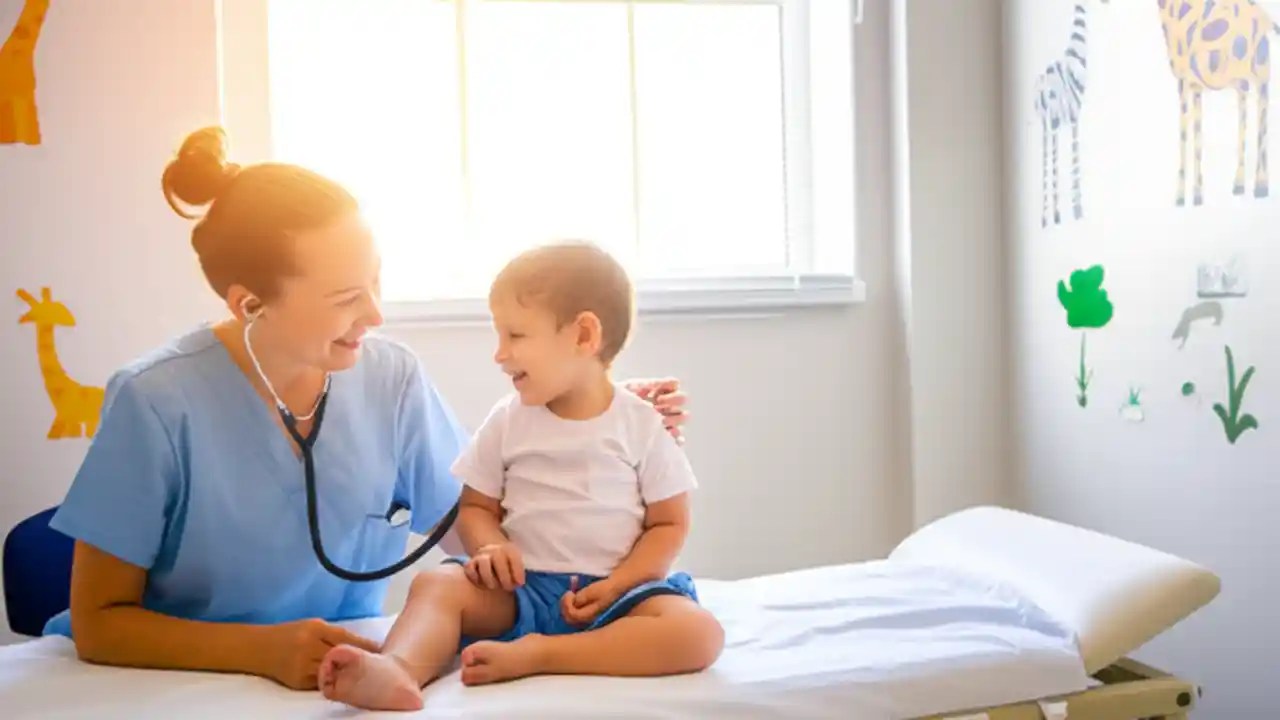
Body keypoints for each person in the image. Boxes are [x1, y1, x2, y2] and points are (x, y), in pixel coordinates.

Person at [41, 126, 691, 693]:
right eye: (347, 296)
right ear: (249, 305)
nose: (376, 316)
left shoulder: (391, 378)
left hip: (337, 667)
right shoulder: (155, 400)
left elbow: (491, 526)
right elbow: (99, 622)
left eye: (377, 281)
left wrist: (597, 410)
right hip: (183, 680)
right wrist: (259, 652)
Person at [317, 242, 724, 711]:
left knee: (698, 633)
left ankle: (541, 654)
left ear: (584, 335)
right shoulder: (508, 420)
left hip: (616, 597)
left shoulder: (641, 424)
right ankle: (398, 668)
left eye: (515, 335)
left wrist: (620, 585)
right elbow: (476, 507)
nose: (499, 354)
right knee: (438, 586)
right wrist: (490, 546)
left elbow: (668, 523)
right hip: (520, 592)